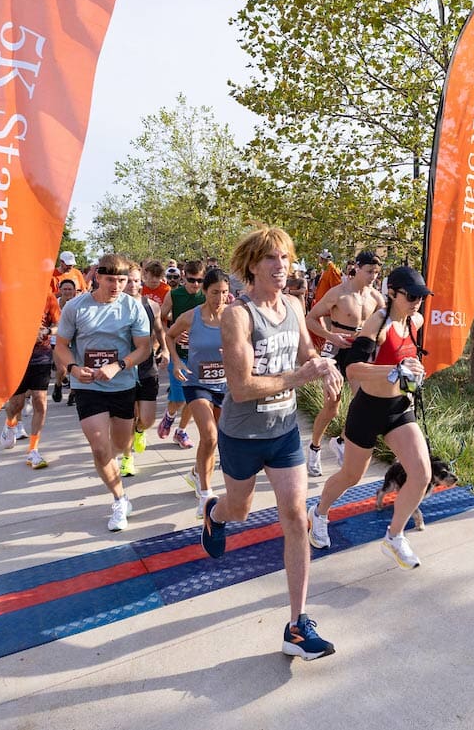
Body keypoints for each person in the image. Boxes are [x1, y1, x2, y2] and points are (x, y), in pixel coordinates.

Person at [200, 226, 342, 660]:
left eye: (285, 258)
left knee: (296, 517)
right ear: (252, 266)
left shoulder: (295, 305)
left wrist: (324, 367)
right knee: (238, 509)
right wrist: (301, 377)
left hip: (282, 434)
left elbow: (304, 353)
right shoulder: (237, 316)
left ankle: (297, 626)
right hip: (242, 434)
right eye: (271, 260)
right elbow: (240, 389)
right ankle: (214, 513)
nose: (282, 266)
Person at [308, 265, 432, 569]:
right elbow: (353, 369)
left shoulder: (415, 321)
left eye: (421, 296)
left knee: (422, 474)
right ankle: (319, 512)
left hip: (399, 408)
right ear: (392, 293)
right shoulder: (378, 323)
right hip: (367, 409)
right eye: (411, 295)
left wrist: (414, 371)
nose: (417, 301)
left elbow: (409, 357)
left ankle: (395, 536)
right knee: (352, 476)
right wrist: (393, 370)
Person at [54, 254, 153, 532]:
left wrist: (118, 365)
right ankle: (120, 499)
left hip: (121, 384)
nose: (117, 286)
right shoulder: (76, 307)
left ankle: (120, 461)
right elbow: (60, 345)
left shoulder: (132, 308)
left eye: (122, 280)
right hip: (88, 387)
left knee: (120, 445)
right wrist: (73, 368)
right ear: (97, 276)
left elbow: (143, 348)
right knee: (99, 447)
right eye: (111, 280)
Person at [303, 251, 385, 476]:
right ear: (357, 268)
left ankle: (341, 441)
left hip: (359, 350)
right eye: (369, 272)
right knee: (332, 406)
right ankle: (315, 448)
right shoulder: (338, 293)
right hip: (337, 348)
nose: (372, 277)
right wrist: (331, 336)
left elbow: (386, 325)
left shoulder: (376, 297)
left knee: (364, 404)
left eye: (376, 273)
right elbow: (310, 318)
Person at [167, 267, 231, 518]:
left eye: (224, 292)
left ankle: (196, 472)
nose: (220, 298)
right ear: (204, 291)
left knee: (220, 438)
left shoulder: (234, 316)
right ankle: (205, 494)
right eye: (215, 293)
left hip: (225, 385)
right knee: (209, 436)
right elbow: (169, 336)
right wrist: (177, 362)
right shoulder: (191, 317)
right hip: (197, 383)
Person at [0, 291, 62, 468]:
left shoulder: (48, 297)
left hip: (41, 357)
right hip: (17, 357)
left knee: (40, 401)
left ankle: (33, 451)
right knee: (17, 403)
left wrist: (47, 331)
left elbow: (59, 324)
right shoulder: (12, 295)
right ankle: (10, 423)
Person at [117, 264, 168, 477]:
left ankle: (140, 431)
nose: (133, 285)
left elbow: (159, 331)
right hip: (123, 369)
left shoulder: (151, 306)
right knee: (128, 416)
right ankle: (127, 459)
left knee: (146, 419)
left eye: (136, 280)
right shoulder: (113, 307)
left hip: (147, 367)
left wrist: (164, 349)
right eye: (128, 280)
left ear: (142, 281)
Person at [156, 260, 206, 448]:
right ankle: (169, 416)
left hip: (200, 355)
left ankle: (181, 431)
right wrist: (173, 333)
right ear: (184, 277)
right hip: (179, 354)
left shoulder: (208, 295)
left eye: (200, 281)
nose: (195, 285)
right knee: (178, 399)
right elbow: (159, 318)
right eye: (192, 280)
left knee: (193, 399)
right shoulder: (174, 294)